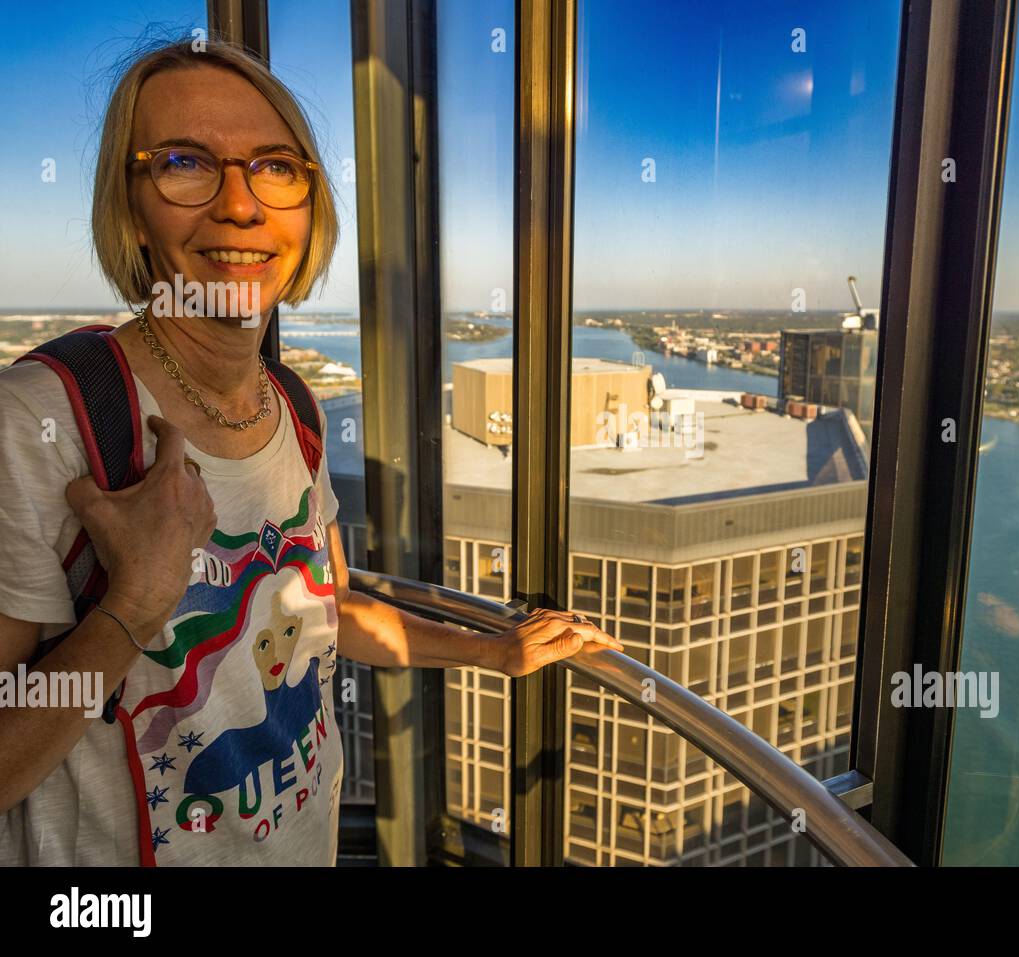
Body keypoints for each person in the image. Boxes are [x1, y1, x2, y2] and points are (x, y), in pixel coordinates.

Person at [0, 37, 621, 866]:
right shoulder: (46, 421)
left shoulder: (288, 403)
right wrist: (132, 605)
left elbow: (318, 610)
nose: (241, 206)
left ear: (309, 206)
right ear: (130, 208)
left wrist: (493, 650)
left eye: (276, 166)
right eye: (186, 162)